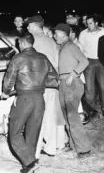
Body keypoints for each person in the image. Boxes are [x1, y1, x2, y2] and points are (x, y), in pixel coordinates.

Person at [1, 32, 58, 173]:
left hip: (24, 99)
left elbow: (9, 79)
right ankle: (30, 164)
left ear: (24, 43)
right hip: (39, 99)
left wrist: (5, 92)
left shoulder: (18, 58)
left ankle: (30, 163)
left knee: (14, 134)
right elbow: (54, 78)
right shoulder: (43, 58)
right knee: (32, 134)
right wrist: (38, 83)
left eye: (19, 43)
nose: (18, 46)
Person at [25, 15, 66, 157]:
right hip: (53, 83)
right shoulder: (51, 40)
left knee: (41, 117)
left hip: (41, 84)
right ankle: (54, 145)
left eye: (29, 25)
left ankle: (42, 148)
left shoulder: (34, 41)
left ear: (36, 26)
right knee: (52, 115)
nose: (27, 28)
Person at [54, 23, 91, 159]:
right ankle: (74, 145)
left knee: (72, 117)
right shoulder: (62, 47)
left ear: (63, 34)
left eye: (56, 34)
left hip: (72, 84)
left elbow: (84, 61)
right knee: (66, 117)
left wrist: (72, 74)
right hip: (64, 83)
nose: (54, 36)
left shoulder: (71, 46)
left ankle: (84, 149)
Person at [79, 15, 104, 116]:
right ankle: (90, 109)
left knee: (103, 86)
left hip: (101, 61)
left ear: (96, 23)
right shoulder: (83, 33)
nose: (88, 25)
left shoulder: (103, 31)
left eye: (90, 23)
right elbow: (80, 48)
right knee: (89, 87)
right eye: (87, 23)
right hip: (89, 62)